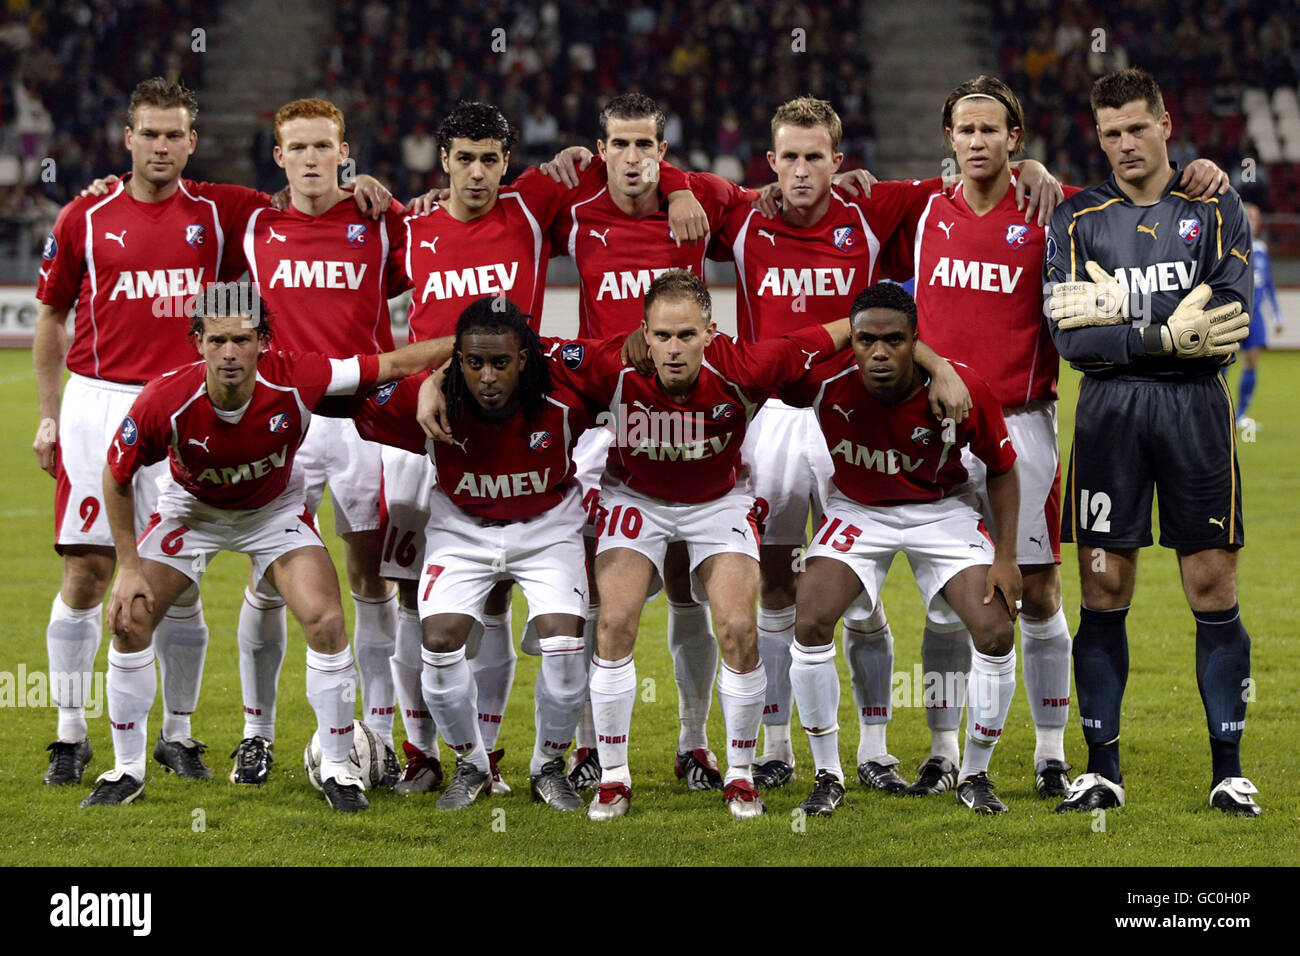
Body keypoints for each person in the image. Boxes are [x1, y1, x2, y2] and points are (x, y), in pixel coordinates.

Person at [883, 76, 1230, 800]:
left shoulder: (1058, 210)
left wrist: (1206, 171)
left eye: (992, 131)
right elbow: (831, 196)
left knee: (1038, 591)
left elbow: (1140, 192)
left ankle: (1048, 752)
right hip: (938, 428)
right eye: (964, 130)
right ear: (948, 139)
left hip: (1022, 424)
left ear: (1017, 140)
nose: (976, 141)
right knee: (950, 599)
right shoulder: (919, 210)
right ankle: (944, 750)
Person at [381, 100, 706, 794]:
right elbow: (349, 292)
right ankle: (416, 751)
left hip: (518, 422)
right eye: (462, 158)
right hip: (427, 427)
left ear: (507, 160)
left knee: (519, 602)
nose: (475, 172)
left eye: (489, 158)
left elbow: (632, 162)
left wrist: (676, 183)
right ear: (441, 161)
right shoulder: (406, 225)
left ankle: (512, 756)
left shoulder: (535, 203)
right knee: (410, 601)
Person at [83, 285, 452, 811]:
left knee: (326, 620)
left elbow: (390, 364)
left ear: (263, 341)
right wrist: (127, 567)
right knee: (129, 617)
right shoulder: (163, 399)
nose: (228, 353)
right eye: (216, 341)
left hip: (272, 512)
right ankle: (125, 770)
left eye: (241, 339)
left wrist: (463, 344)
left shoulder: (299, 376)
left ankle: (341, 767)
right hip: (193, 512)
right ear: (197, 343)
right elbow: (116, 476)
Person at [712, 96, 978, 790]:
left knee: (857, 597)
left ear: (839, 162)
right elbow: (649, 176)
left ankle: (876, 749)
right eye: (789, 158)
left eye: (815, 157)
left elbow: (972, 179)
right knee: (774, 584)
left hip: (853, 420)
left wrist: (1037, 168)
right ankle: (776, 744)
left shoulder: (872, 210)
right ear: (770, 163)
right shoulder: (741, 215)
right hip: (770, 419)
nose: (801, 172)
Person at [534, 269, 856, 820]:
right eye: (662, 336)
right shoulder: (609, 363)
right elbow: (505, 343)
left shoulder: (744, 368)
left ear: (712, 330)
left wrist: (935, 361)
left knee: (737, 627)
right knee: (613, 623)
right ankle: (613, 777)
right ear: (644, 332)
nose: (674, 349)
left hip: (719, 501)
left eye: (687, 335)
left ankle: (739, 773)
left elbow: (843, 331)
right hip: (635, 497)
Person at [33, 78, 267, 786]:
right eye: (149, 133)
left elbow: (300, 204)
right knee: (86, 572)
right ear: (127, 138)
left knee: (182, 582)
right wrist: (48, 414)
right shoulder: (85, 214)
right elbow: (50, 316)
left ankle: (179, 733)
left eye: (174, 135)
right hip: (97, 405)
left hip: (180, 408)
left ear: (192, 143)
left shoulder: (220, 214)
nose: (161, 146)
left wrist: (369, 187)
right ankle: (71, 733)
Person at [1045, 68, 1258, 816]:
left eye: (1139, 126)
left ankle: (1227, 770)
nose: (1126, 143)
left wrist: (1120, 327)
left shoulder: (1216, 203)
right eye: (1111, 132)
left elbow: (1228, 318)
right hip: (1108, 417)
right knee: (1104, 589)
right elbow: (1070, 338)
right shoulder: (1075, 219)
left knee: (1212, 587)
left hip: (1195, 414)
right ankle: (1102, 769)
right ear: (1097, 136)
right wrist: (1163, 333)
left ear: (1167, 123)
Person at [539, 91, 762, 792]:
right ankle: (586, 750)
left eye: (646, 146)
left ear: (663, 152)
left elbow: (779, 197)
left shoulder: (702, 200)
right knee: (601, 601)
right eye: (619, 144)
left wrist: (682, 190)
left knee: (689, 592)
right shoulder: (571, 208)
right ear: (598, 149)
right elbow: (494, 211)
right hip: (600, 425)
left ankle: (695, 744)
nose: (632, 158)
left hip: (687, 421)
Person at [345, 297, 597, 811]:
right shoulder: (428, 400)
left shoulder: (568, 390)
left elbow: (625, 359)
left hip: (547, 528)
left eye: (500, 362)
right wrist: (429, 380)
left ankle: (548, 766)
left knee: (566, 642)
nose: (486, 376)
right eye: (473, 362)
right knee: (436, 643)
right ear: (457, 359)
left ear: (524, 359)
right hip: (462, 530)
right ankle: (472, 765)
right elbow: (341, 396)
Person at [783, 282, 1021, 815]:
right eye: (866, 340)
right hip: (859, 512)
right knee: (810, 618)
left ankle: (976, 775)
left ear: (916, 341)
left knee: (996, 628)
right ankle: (828, 775)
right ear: (852, 342)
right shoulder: (824, 382)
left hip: (943, 511)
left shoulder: (964, 391)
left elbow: (1003, 469)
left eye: (894, 340)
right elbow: (775, 358)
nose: (880, 353)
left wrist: (1005, 557)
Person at [230, 97, 409, 788]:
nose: (311, 159)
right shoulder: (253, 226)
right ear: (279, 156)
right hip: (286, 423)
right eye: (297, 148)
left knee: (372, 582)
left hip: (366, 422)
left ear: (344, 152)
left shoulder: (380, 220)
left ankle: (382, 738)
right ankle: (256, 733)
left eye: (323, 147)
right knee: (267, 582)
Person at [1235, 202, 1284, 429]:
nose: (1251, 221)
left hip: (1255, 316)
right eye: (1247, 217)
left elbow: (1269, 284)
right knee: (1219, 365)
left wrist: (1277, 317)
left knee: (1252, 362)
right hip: (1232, 314)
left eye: (1254, 218)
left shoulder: (1262, 249)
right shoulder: (1228, 245)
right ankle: (1216, 412)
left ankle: (1241, 415)